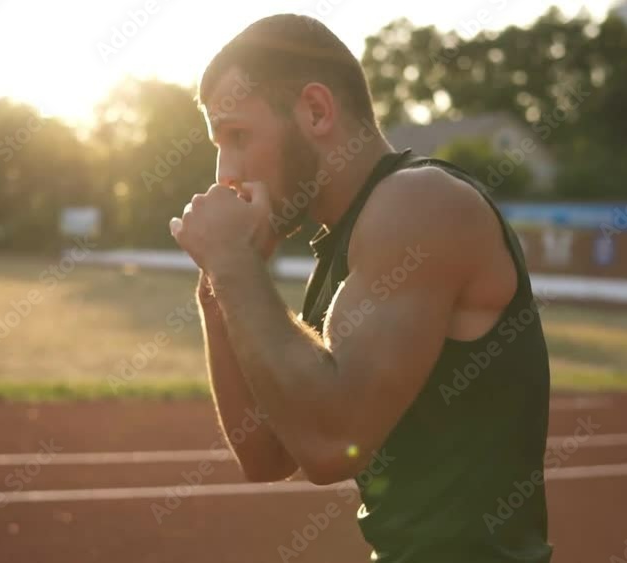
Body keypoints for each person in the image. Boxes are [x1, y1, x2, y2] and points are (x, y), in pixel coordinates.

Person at [170, 13, 553, 563]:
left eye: (238, 135)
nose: (225, 170)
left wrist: (234, 264)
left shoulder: (419, 203)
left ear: (317, 111)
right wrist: (217, 284)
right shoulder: (341, 248)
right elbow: (266, 454)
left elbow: (331, 446)